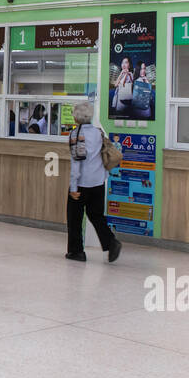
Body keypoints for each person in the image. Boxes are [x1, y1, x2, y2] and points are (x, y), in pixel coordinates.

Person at [65, 100, 121, 264]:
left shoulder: (75, 135)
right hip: (98, 182)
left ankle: (76, 252)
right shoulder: (98, 132)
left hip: (82, 183)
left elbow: (77, 162)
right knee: (96, 215)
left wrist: (73, 187)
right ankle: (111, 242)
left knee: (74, 217)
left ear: (77, 117)